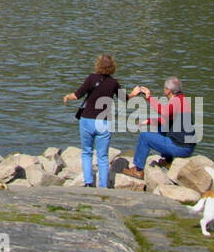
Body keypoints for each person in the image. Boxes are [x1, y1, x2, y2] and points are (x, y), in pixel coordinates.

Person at [63, 54, 120, 188]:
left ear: (98, 65)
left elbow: (77, 95)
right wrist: (135, 93)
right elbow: (125, 98)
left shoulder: (91, 79)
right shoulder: (114, 83)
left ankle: (88, 182)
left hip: (87, 120)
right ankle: (103, 186)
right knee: (103, 156)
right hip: (104, 123)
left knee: (87, 152)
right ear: (113, 67)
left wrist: (67, 97)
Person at [122, 76, 196, 179]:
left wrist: (148, 97)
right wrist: (148, 121)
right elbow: (166, 119)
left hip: (180, 148)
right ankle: (167, 161)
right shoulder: (182, 100)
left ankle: (138, 170)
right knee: (162, 128)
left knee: (144, 137)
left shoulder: (175, 102)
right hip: (188, 147)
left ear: (168, 91)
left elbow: (164, 112)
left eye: (164, 88)